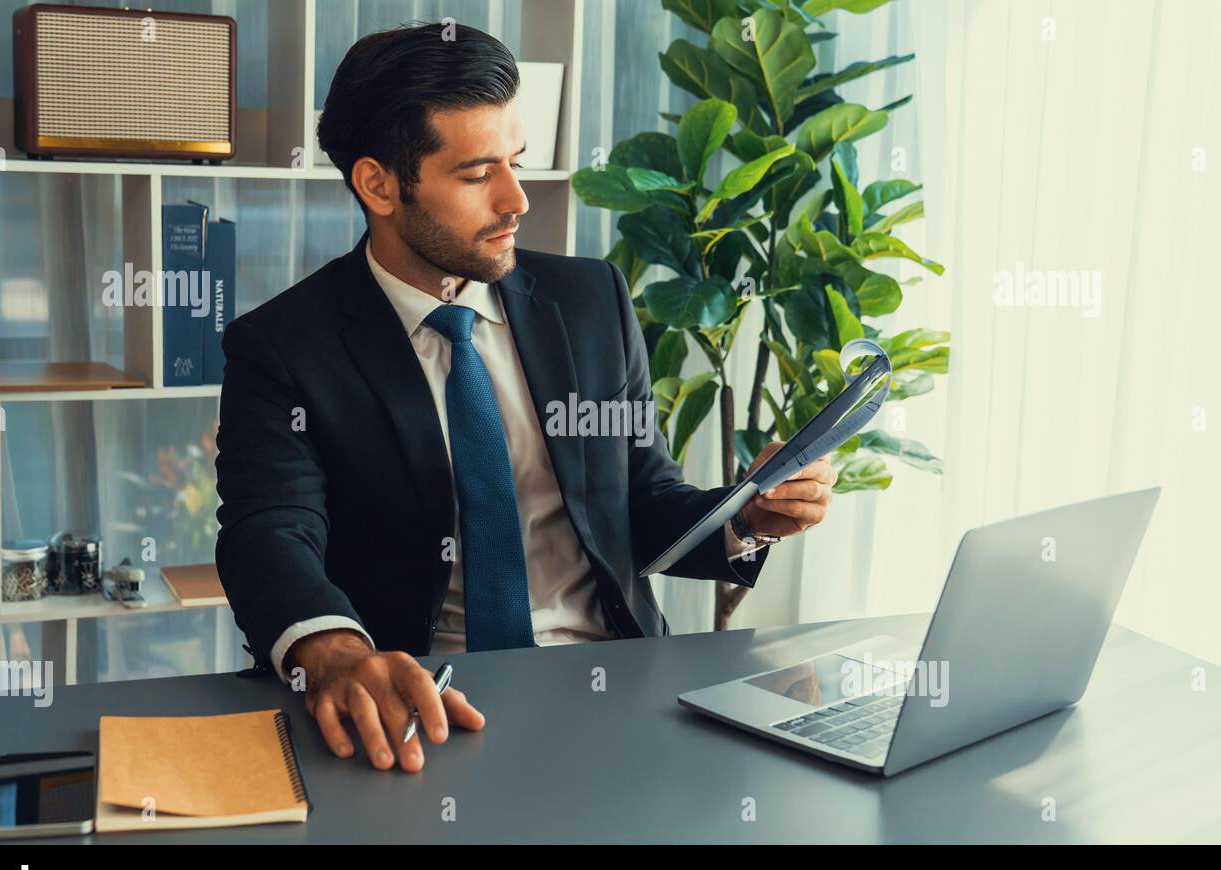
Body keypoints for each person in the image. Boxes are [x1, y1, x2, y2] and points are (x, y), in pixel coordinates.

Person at [214, 21, 837, 773]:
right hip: (425, 709)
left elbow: (640, 500)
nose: (517, 199)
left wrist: (745, 515)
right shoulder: (285, 347)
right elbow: (268, 533)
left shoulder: (589, 300)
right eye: (478, 175)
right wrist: (337, 652)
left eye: (517, 162)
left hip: (620, 693)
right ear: (377, 184)